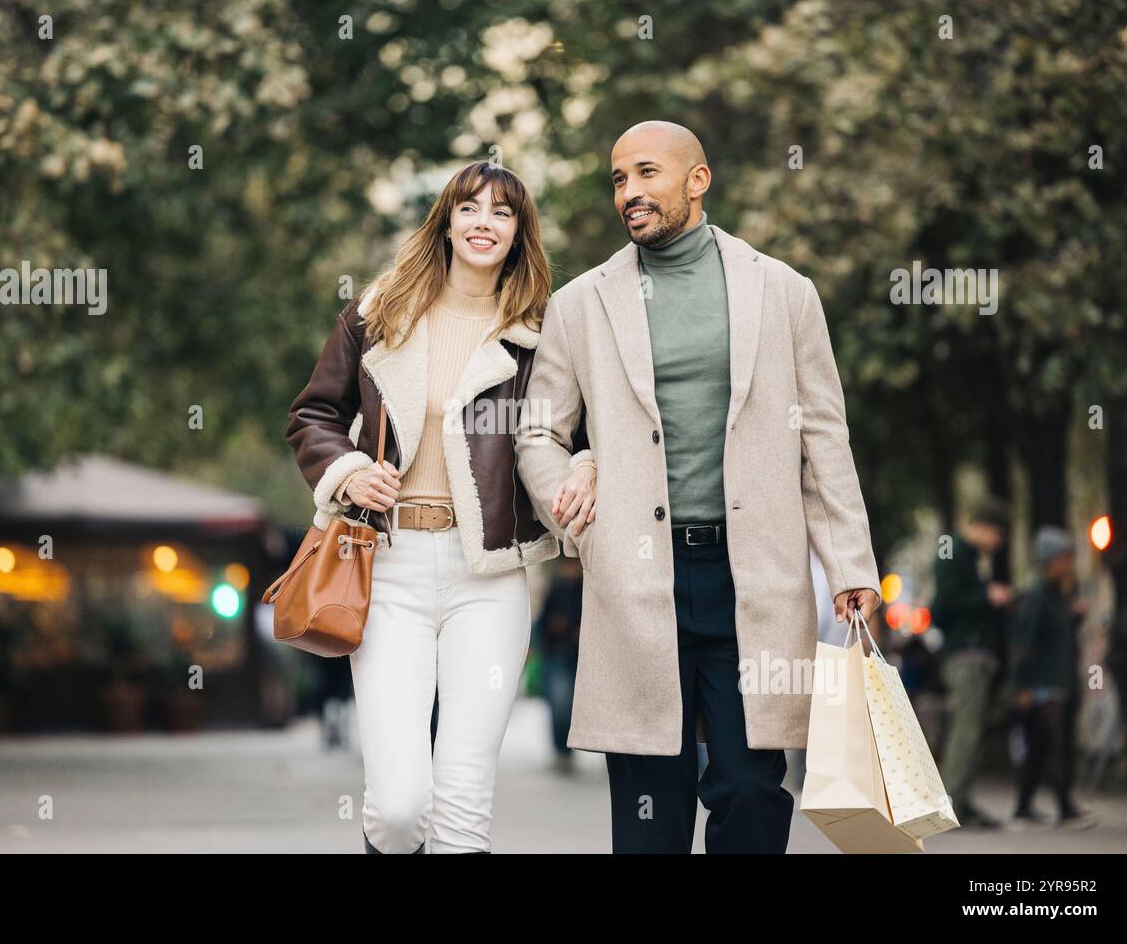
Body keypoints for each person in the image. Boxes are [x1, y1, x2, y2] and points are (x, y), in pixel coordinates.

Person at [515, 121, 882, 853]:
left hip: (754, 579)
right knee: (652, 805)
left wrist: (850, 564)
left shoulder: (783, 292)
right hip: (635, 577)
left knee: (750, 790)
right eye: (618, 179)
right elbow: (538, 432)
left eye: (646, 173)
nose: (630, 193)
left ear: (697, 179)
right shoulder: (582, 304)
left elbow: (822, 440)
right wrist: (573, 507)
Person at [286, 160, 569, 853]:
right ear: (446, 219)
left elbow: (572, 432)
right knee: (400, 805)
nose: (483, 222)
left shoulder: (543, 331)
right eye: (469, 207)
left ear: (519, 231)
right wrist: (349, 470)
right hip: (389, 567)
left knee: (465, 802)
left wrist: (583, 469)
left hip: (491, 575)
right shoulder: (378, 311)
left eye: (502, 212)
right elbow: (314, 414)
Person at [1007, 526, 1098, 830]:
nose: (1069, 563)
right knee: (1055, 743)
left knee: (1039, 745)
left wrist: (1074, 617)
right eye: (1065, 557)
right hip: (1041, 684)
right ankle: (1064, 808)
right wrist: (1022, 685)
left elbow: (1053, 635)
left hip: (1052, 681)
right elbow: (1026, 642)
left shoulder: (1055, 596)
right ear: (1052, 560)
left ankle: (1023, 807)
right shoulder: (1036, 595)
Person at [931, 498, 1013, 830]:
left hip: (978, 654)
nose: (999, 543)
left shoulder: (976, 558)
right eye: (997, 533)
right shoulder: (951, 546)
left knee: (972, 729)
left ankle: (961, 799)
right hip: (965, 653)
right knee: (965, 731)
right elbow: (942, 604)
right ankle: (950, 802)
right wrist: (986, 597)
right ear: (981, 526)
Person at [533, 557, 583, 773]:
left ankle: (567, 748)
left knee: (571, 706)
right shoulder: (556, 587)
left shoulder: (585, 588)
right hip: (557, 654)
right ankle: (561, 750)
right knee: (559, 704)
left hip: (581, 658)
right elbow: (543, 622)